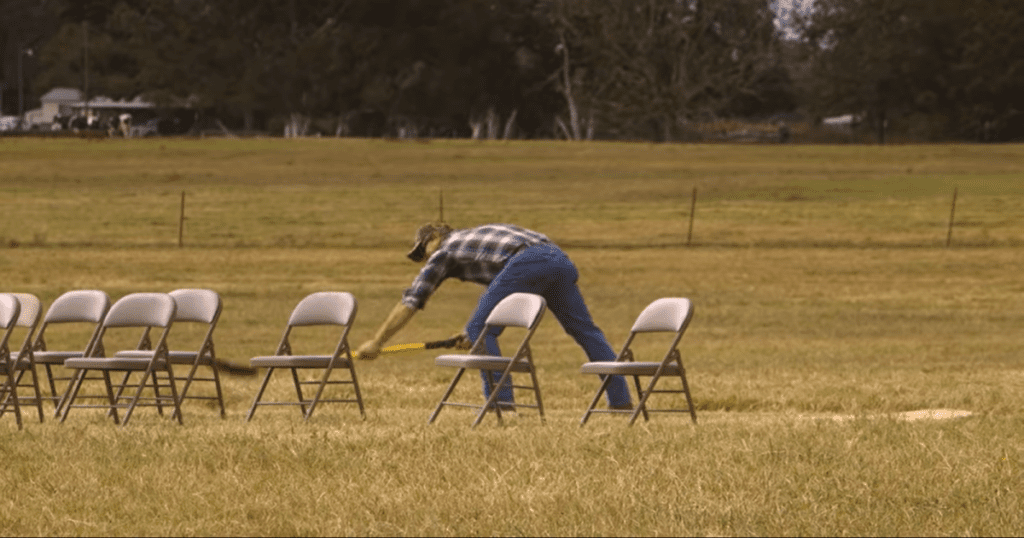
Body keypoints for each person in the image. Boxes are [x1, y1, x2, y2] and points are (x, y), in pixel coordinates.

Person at [356, 222, 633, 410]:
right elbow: (502, 294)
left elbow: (411, 300)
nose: (425, 258)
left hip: (527, 260)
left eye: (422, 250)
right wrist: (471, 335)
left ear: (434, 238)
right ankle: (621, 402)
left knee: (481, 328)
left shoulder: (446, 249)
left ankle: (501, 405)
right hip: (558, 258)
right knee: (585, 331)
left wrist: (377, 342)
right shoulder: (478, 240)